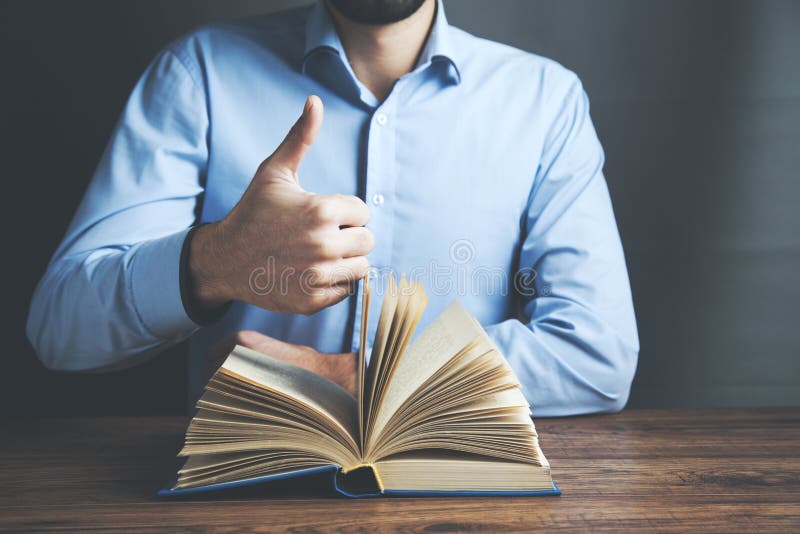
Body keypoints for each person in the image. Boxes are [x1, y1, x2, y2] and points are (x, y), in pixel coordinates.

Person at [26, 0, 639, 415]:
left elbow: (596, 353)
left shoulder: (544, 101)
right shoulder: (198, 75)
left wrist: (343, 377)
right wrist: (216, 262)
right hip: (239, 506)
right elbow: (62, 329)